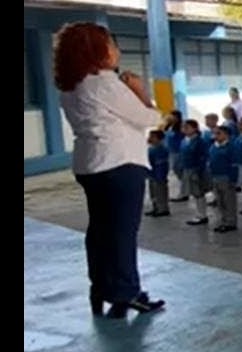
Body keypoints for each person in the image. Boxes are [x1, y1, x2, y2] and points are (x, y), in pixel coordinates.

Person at [53, 22, 165, 319]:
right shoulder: (105, 84)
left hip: (90, 164)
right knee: (123, 233)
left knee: (100, 230)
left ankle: (101, 288)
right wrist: (140, 90)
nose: (115, 51)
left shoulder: (71, 85)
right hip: (120, 163)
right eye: (110, 45)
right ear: (96, 51)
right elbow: (151, 118)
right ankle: (127, 292)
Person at [145, 130, 170, 217]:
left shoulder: (161, 149)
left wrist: (159, 175)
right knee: (154, 192)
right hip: (152, 173)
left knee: (160, 192)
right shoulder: (151, 148)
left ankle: (162, 209)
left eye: (153, 137)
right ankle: (156, 207)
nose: (150, 138)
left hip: (158, 174)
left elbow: (161, 164)